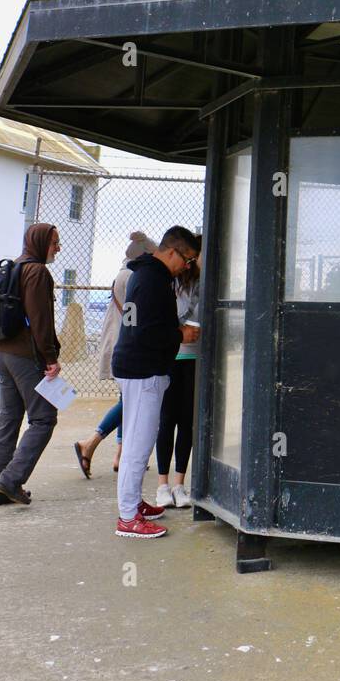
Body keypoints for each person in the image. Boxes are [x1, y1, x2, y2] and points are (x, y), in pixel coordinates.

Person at [111, 224, 198, 539]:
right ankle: (128, 517)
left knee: (138, 439)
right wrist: (181, 334)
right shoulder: (152, 279)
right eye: (186, 260)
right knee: (138, 443)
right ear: (173, 251)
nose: (186, 267)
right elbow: (144, 331)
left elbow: (138, 324)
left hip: (137, 365)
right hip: (143, 369)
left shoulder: (146, 274)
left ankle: (133, 504)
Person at [73, 232, 156, 478]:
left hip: (120, 344)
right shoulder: (132, 277)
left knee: (126, 400)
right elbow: (132, 317)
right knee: (129, 401)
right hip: (128, 347)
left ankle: (119, 453)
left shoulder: (123, 274)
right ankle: (90, 442)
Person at [0, 222, 62, 505]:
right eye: (54, 243)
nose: (58, 248)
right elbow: (40, 320)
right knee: (44, 419)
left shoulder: (13, 267)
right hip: (25, 355)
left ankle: (0, 484)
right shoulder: (37, 271)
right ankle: (10, 480)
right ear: (40, 243)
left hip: (3, 352)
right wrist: (51, 357)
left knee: (9, 418)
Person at [156, 234, 202, 508]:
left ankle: (179, 483)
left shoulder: (200, 281)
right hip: (171, 354)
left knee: (187, 421)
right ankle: (162, 484)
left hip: (194, 356)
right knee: (166, 420)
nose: (190, 262)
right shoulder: (166, 279)